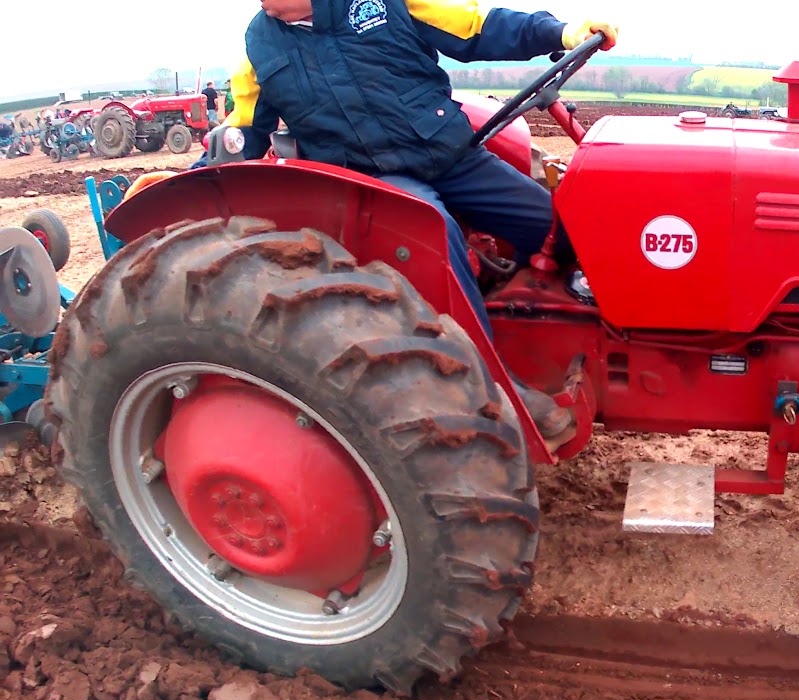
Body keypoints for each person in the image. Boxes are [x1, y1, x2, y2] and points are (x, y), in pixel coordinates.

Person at [129, 0, 618, 440]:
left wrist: (562, 33)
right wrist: (187, 182)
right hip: (378, 182)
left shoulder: (384, 3)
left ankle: (610, 323)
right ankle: (491, 386)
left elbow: (476, 27)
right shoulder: (258, 49)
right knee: (433, 232)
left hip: (450, 156)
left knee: (557, 221)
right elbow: (243, 132)